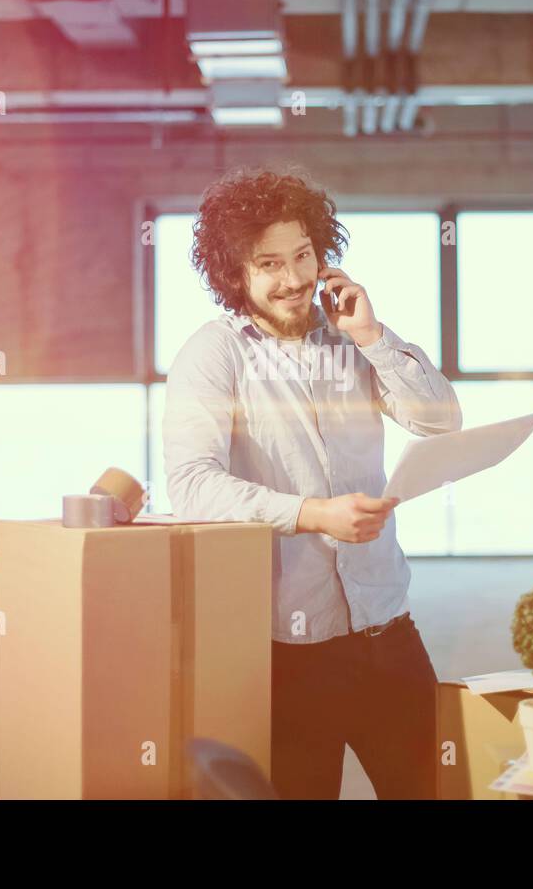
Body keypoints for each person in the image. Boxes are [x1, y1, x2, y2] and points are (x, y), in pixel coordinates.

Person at [162, 166, 463, 799]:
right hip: (288, 648)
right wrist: (314, 514)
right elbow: (191, 485)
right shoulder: (215, 354)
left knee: (434, 790)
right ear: (234, 273)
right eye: (269, 264)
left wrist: (373, 336)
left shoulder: (353, 338)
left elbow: (440, 420)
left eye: (303, 255)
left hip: (386, 627)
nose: (294, 278)